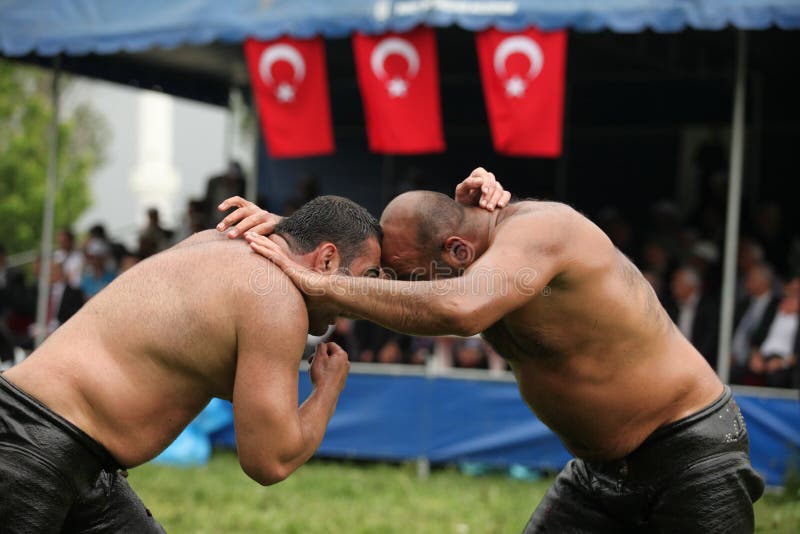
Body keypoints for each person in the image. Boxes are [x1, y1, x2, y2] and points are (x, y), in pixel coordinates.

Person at [231, 167, 764, 533]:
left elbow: (458, 308)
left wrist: (327, 287)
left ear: (459, 250)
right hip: (600, 470)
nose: (400, 287)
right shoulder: (464, 248)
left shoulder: (542, 231)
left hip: (691, 455)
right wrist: (296, 238)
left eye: (409, 277)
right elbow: (400, 270)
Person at [0, 195, 388, 532]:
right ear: (326, 259)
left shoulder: (219, 240)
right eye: (365, 278)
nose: (360, 300)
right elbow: (269, 461)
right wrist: (328, 390)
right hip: (31, 445)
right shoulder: (275, 296)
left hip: (62, 449)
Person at [666, 266, 720, 368]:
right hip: (674, 358)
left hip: (701, 361)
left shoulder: (708, 306)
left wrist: (694, 358)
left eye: (677, 283)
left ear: (690, 286)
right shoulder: (671, 306)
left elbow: (710, 338)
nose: (672, 286)